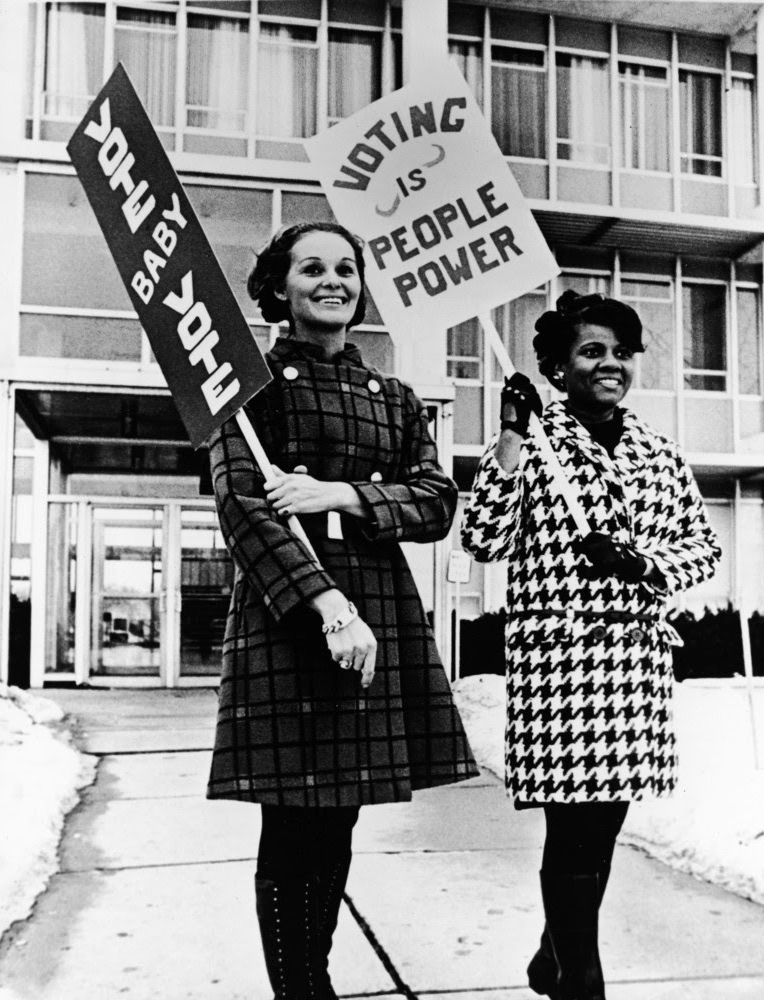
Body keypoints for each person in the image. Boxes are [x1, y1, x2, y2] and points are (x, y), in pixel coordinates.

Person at [206, 220, 478, 999]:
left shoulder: (394, 398)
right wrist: (326, 606)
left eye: (347, 269)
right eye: (313, 268)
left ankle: (313, 980)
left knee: (340, 812)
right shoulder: (244, 389)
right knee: (296, 818)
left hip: (379, 608)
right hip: (289, 617)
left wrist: (338, 494)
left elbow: (435, 502)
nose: (334, 281)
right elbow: (243, 509)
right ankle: (300, 990)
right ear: (278, 288)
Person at [460, 290, 720, 1000]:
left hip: (634, 666)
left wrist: (640, 563)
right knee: (573, 828)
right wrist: (511, 438)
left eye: (622, 352)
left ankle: (554, 953)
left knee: (603, 827)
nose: (611, 364)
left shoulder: (659, 453)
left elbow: (702, 547)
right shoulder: (533, 446)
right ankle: (580, 978)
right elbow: (483, 538)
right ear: (556, 368)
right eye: (592, 351)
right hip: (561, 668)